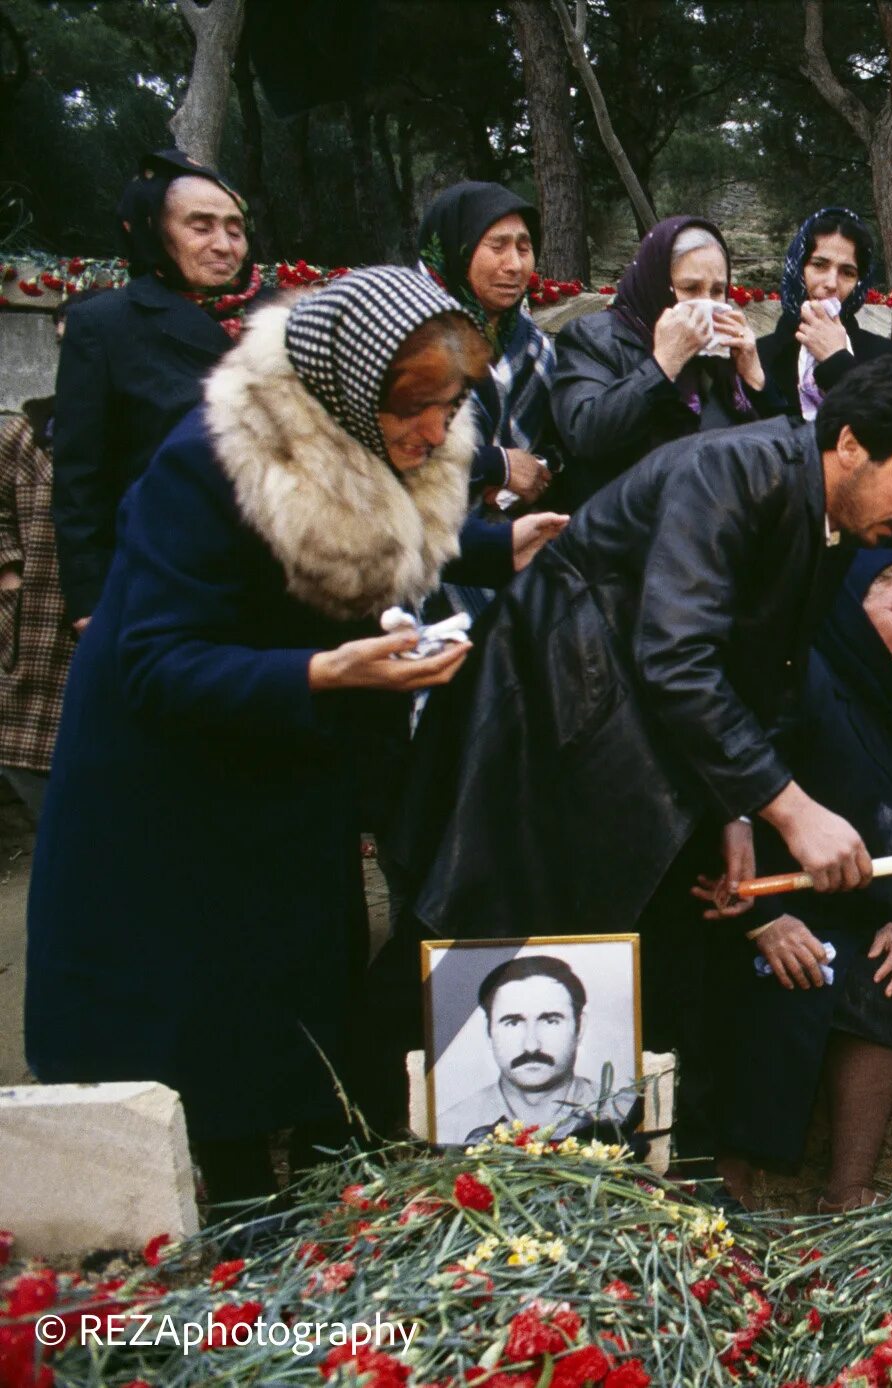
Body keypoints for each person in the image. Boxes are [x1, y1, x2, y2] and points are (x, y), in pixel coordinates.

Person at [26, 267, 545, 1204]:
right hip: (175, 774)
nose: (434, 435)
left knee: (301, 983)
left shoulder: (398, 439)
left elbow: (381, 528)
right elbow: (152, 660)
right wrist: (320, 671)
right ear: (348, 387)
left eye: (451, 407)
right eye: (412, 410)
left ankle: (315, 1183)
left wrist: (497, 545)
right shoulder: (214, 463)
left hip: (288, 758)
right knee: (205, 1011)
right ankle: (233, 1213)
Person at [382, 357, 892, 1147]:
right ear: (852, 445)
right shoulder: (730, 469)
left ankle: (606, 1169)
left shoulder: (824, 513)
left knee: (629, 974)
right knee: (482, 957)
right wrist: (791, 810)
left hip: (629, 753)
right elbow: (679, 657)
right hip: (538, 739)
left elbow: (764, 679)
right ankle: (397, 1155)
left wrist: (735, 810)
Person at [698, 553, 892, 1210]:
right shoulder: (797, 677)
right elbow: (720, 792)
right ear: (852, 613)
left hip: (862, 912)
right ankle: (727, 1195)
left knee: (874, 980)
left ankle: (851, 1197)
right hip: (757, 904)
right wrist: (763, 921)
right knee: (784, 977)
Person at [52, 148, 271, 627]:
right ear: (155, 229)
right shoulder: (106, 325)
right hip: (164, 581)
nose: (224, 244)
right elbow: (80, 476)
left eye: (235, 229)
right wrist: (89, 599)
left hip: (282, 581)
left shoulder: (283, 317)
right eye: (201, 226)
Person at [551, 215, 766, 502]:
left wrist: (753, 379)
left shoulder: (719, 358)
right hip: (624, 526)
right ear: (655, 283)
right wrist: (662, 365)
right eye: (690, 289)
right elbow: (585, 433)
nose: (709, 305)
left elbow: (763, 454)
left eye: (717, 291)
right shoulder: (593, 337)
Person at [0, 294, 97, 818]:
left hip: (115, 623)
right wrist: (9, 577)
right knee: (34, 765)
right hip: (38, 625)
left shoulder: (148, 424)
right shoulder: (27, 432)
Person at [417, 180, 559, 513]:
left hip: (519, 538)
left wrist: (536, 470)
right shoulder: (406, 336)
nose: (515, 265)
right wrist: (496, 467)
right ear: (457, 250)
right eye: (498, 247)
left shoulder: (535, 347)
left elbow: (559, 443)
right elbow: (385, 450)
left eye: (524, 248)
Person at [437, 955, 620, 1144]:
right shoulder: (448, 1131)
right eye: (513, 1022)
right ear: (488, 1031)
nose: (531, 1045)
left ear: (579, 1028)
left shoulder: (624, 1114)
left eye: (550, 1021)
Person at [755, 206, 892, 421]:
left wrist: (837, 361)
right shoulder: (761, 355)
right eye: (819, 265)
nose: (831, 284)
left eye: (847, 272)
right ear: (798, 267)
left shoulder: (888, 358)